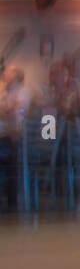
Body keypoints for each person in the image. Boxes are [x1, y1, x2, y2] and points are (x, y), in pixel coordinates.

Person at [0, 66, 32, 212]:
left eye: (7, 71)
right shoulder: (7, 92)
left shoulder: (23, 92)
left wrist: (7, 109)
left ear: (15, 76)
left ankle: (10, 197)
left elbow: (15, 113)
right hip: (10, 135)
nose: (3, 72)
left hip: (21, 140)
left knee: (6, 149)